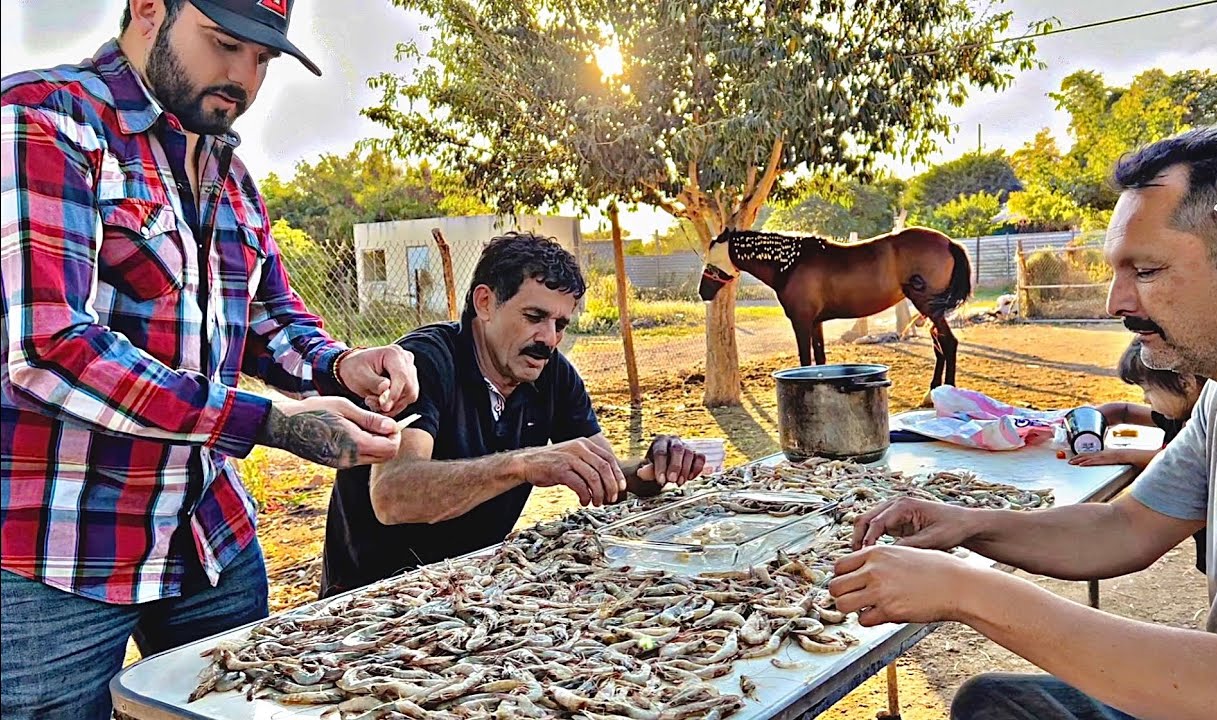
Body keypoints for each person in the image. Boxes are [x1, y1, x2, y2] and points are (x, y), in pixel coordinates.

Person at [1, 2, 419, 718]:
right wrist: (272, 422)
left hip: (210, 541)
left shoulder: (229, 171)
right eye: (226, 44)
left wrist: (342, 363)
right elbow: (55, 347)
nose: (244, 78)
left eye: (263, 59)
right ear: (148, 9)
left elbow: (266, 318)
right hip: (60, 555)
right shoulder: (47, 120)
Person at [828, 125, 1217, 720]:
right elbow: (1124, 528)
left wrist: (965, 590)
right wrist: (968, 525)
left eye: (1145, 271)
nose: (1116, 302)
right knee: (995, 703)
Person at [321, 232, 707, 598]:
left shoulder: (552, 374)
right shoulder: (424, 362)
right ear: (485, 302)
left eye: (560, 324)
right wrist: (522, 465)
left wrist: (650, 470)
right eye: (534, 316)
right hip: (373, 599)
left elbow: (603, 474)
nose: (549, 339)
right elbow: (393, 496)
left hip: (469, 589)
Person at [1071, 337, 1210, 573]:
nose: (1145, 399)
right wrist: (1092, 418)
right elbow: (1123, 411)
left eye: (1148, 389)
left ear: (1185, 382)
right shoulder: (1178, 416)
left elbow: (1184, 462)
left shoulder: (1208, 426)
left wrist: (1124, 454)